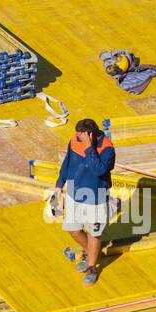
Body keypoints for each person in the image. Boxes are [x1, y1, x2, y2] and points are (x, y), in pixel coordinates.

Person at [50, 118, 116, 286]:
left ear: (90, 134)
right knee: (73, 229)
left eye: (82, 136)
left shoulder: (107, 148)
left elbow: (98, 170)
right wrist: (59, 185)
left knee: (94, 233)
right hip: (74, 194)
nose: (78, 138)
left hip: (96, 197)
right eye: (78, 135)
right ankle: (91, 252)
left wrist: (88, 146)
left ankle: (92, 266)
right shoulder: (75, 140)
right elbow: (67, 163)